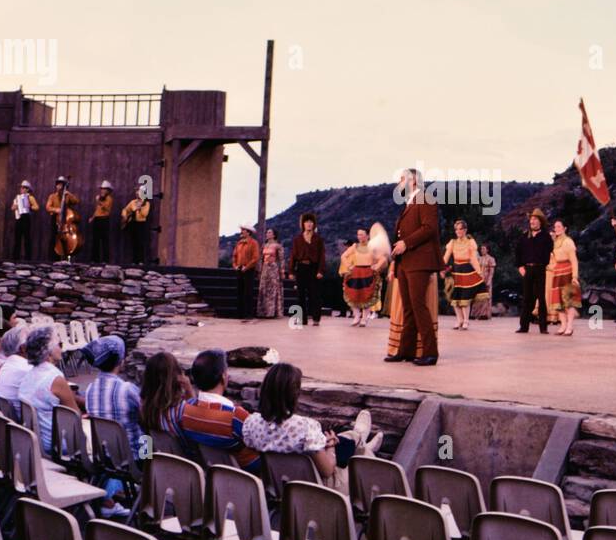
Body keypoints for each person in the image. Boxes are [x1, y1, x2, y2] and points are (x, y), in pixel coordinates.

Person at [241, 363, 380, 486]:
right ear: (294, 394)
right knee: (357, 453)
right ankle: (364, 447)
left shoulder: (252, 423)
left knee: (346, 437)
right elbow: (327, 470)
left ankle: (361, 439)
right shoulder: (305, 427)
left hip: (276, 486)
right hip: (317, 489)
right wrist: (330, 447)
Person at [138, 351, 260, 471]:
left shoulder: (143, 410)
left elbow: (144, 450)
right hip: (189, 472)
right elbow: (197, 416)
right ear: (176, 377)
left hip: (163, 471)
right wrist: (189, 390)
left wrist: (148, 471)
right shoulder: (181, 412)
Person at [386, 168, 442, 365]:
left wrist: (406, 243)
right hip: (405, 262)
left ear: (413, 181)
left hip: (419, 261)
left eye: (402, 179)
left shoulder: (425, 199)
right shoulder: (410, 202)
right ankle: (406, 350)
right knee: (409, 308)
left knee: (418, 305)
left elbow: (429, 228)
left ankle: (430, 352)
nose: (399, 182)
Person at [17, 325, 85, 453]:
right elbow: (75, 416)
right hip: (57, 444)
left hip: (37, 439)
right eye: (59, 344)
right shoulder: (55, 377)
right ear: (48, 351)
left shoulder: (29, 375)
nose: (61, 348)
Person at [82, 335, 144, 460]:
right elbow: (146, 419)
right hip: (132, 458)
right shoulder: (128, 389)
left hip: (105, 457)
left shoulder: (90, 389)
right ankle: (149, 470)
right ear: (121, 361)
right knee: (148, 436)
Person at [442, 219, 486, 331]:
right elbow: (446, 257)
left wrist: (479, 272)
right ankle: (459, 320)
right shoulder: (453, 242)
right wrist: (441, 268)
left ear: (465, 230)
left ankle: (466, 320)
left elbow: (473, 258)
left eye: (460, 229)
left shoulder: (470, 242)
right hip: (456, 270)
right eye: (456, 229)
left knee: (465, 297)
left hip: (466, 270)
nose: (458, 231)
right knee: (455, 297)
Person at [515, 208, 554, 335]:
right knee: (527, 298)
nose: (532, 221)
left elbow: (551, 251)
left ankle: (543, 327)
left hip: (540, 268)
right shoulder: (525, 236)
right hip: (527, 269)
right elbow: (518, 252)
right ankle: (524, 326)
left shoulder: (546, 236)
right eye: (531, 219)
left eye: (535, 219)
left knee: (541, 298)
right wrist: (520, 266)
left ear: (540, 222)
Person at [541, 219, 581, 337]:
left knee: (568, 301)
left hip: (567, 271)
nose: (556, 229)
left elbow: (574, 260)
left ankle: (570, 326)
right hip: (557, 271)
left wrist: (574, 276)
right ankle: (563, 325)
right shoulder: (555, 242)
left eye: (559, 226)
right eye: (555, 227)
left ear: (565, 228)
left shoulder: (568, 242)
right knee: (558, 301)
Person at [341, 228, 384, 328]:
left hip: (368, 272)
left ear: (367, 236)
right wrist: (349, 266)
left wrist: (376, 267)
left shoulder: (372, 247)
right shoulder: (355, 246)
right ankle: (356, 316)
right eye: (358, 235)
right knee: (352, 294)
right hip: (356, 272)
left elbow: (382, 258)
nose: (359, 237)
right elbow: (343, 256)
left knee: (367, 295)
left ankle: (364, 318)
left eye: (362, 235)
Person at [289, 212, 326, 326]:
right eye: (307, 222)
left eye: (311, 222)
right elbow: (293, 256)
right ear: (303, 224)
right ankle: (301, 319)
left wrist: (320, 270)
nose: (309, 224)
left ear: (314, 224)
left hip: (313, 268)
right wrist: (291, 271)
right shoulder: (297, 239)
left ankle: (316, 318)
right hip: (301, 268)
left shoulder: (318, 239)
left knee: (314, 294)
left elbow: (322, 256)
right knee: (300, 295)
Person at [0, 324, 31, 406]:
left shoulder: (6, 365)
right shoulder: (27, 369)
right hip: (21, 417)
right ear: (23, 348)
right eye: (32, 341)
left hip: (8, 416)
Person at [45, 177, 80, 260]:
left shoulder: (67, 196)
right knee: (53, 237)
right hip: (55, 219)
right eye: (58, 185)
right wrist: (57, 210)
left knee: (65, 238)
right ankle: (52, 258)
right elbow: (48, 207)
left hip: (65, 221)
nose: (59, 186)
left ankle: (66, 256)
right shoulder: (52, 196)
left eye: (61, 185)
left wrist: (69, 194)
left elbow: (76, 201)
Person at [232, 225, 261, 319]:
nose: (241, 231)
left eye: (243, 230)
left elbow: (255, 258)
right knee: (240, 291)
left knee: (248, 292)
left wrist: (247, 267)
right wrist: (235, 266)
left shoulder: (253, 243)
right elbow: (234, 256)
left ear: (248, 232)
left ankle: (248, 314)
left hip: (249, 270)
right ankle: (240, 314)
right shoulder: (239, 243)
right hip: (239, 269)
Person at [257, 228, 285, 318]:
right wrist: (259, 269)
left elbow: (281, 259)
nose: (267, 234)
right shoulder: (264, 245)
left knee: (272, 289)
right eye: (267, 232)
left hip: (273, 268)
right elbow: (261, 258)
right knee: (264, 289)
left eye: (269, 232)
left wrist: (282, 271)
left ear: (274, 235)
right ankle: (263, 311)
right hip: (265, 268)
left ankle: (272, 312)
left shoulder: (278, 246)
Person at [121, 183, 151, 264]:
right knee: (133, 241)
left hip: (141, 224)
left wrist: (139, 208)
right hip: (133, 224)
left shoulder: (146, 203)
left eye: (139, 191)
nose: (137, 193)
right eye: (137, 191)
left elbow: (145, 214)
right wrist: (125, 216)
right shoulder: (132, 202)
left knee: (140, 242)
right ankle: (134, 260)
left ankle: (141, 261)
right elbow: (125, 210)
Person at [11, 180, 39, 261]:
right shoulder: (17, 198)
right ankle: (15, 258)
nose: (21, 189)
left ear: (27, 189)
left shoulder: (30, 197)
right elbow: (12, 207)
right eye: (21, 187)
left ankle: (28, 258)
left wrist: (29, 207)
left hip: (26, 218)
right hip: (19, 219)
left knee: (27, 239)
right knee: (17, 239)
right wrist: (15, 207)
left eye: (23, 188)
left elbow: (37, 207)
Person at [90, 181, 114, 263]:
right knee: (95, 240)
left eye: (104, 189)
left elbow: (107, 209)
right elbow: (97, 210)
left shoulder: (109, 199)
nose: (102, 191)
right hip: (97, 220)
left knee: (104, 240)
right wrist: (92, 218)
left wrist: (99, 202)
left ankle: (105, 260)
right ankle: (95, 259)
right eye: (102, 189)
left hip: (104, 220)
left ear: (108, 191)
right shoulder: (100, 198)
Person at [472, 245, 496, 321]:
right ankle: (475, 314)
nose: (482, 250)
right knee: (477, 296)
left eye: (484, 249)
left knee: (486, 297)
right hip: (478, 279)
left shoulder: (491, 259)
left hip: (486, 278)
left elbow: (491, 271)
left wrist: (489, 280)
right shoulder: (479, 259)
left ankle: (484, 314)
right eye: (481, 249)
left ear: (487, 250)